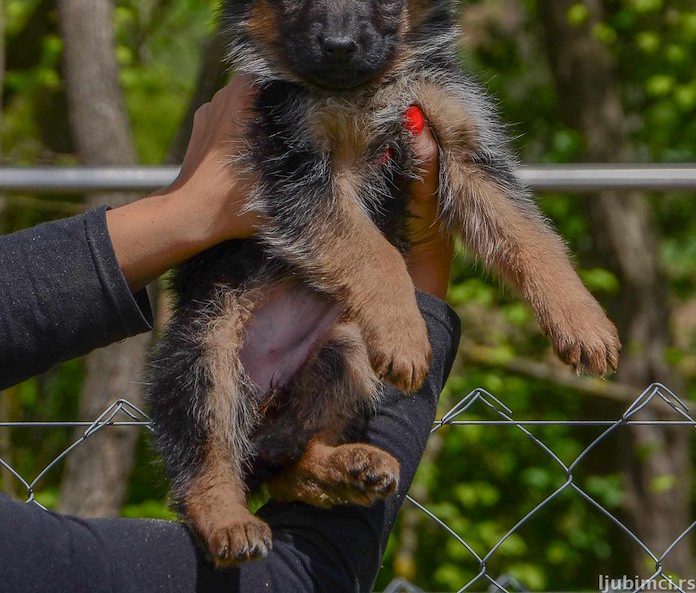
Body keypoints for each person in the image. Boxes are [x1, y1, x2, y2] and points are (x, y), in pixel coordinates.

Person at [0, 74, 461, 593]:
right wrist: (422, 274)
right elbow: (294, 580)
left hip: (304, 346)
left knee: (342, 349)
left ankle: (312, 459)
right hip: (247, 342)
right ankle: (212, 483)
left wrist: (185, 212)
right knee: (212, 335)